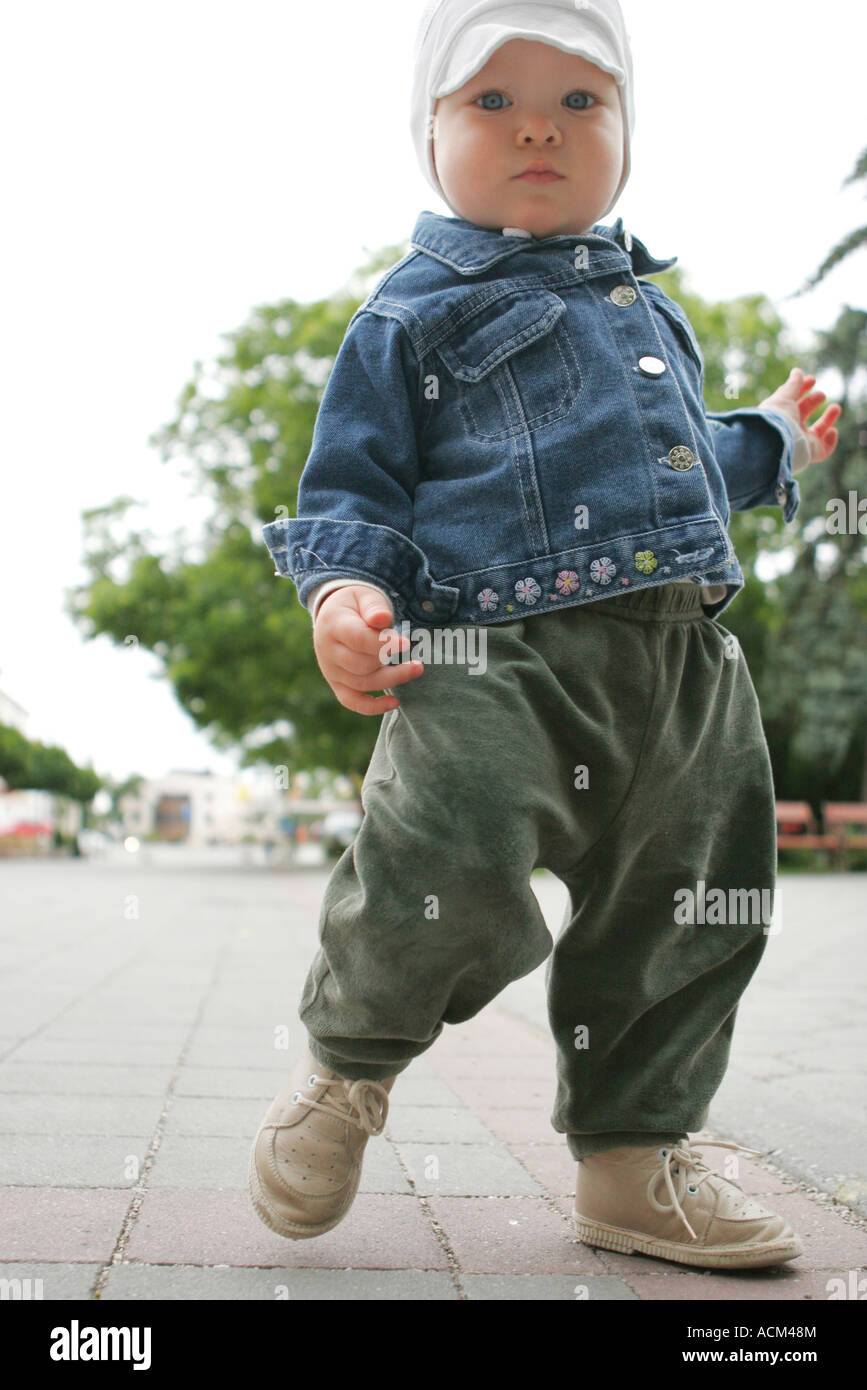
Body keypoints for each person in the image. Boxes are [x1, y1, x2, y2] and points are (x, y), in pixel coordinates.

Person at [249, 0, 841, 1268]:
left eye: (580, 102)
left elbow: (687, 465)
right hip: (490, 656)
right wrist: (345, 600)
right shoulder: (410, 315)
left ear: (628, 133)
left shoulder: (651, 310)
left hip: (683, 668)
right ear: (431, 132)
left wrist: (778, 439)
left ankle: (632, 1162)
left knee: (691, 908)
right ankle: (348, 1069)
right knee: (443, 850)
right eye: (492, 104)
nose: (539, 130)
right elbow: (351, 490)